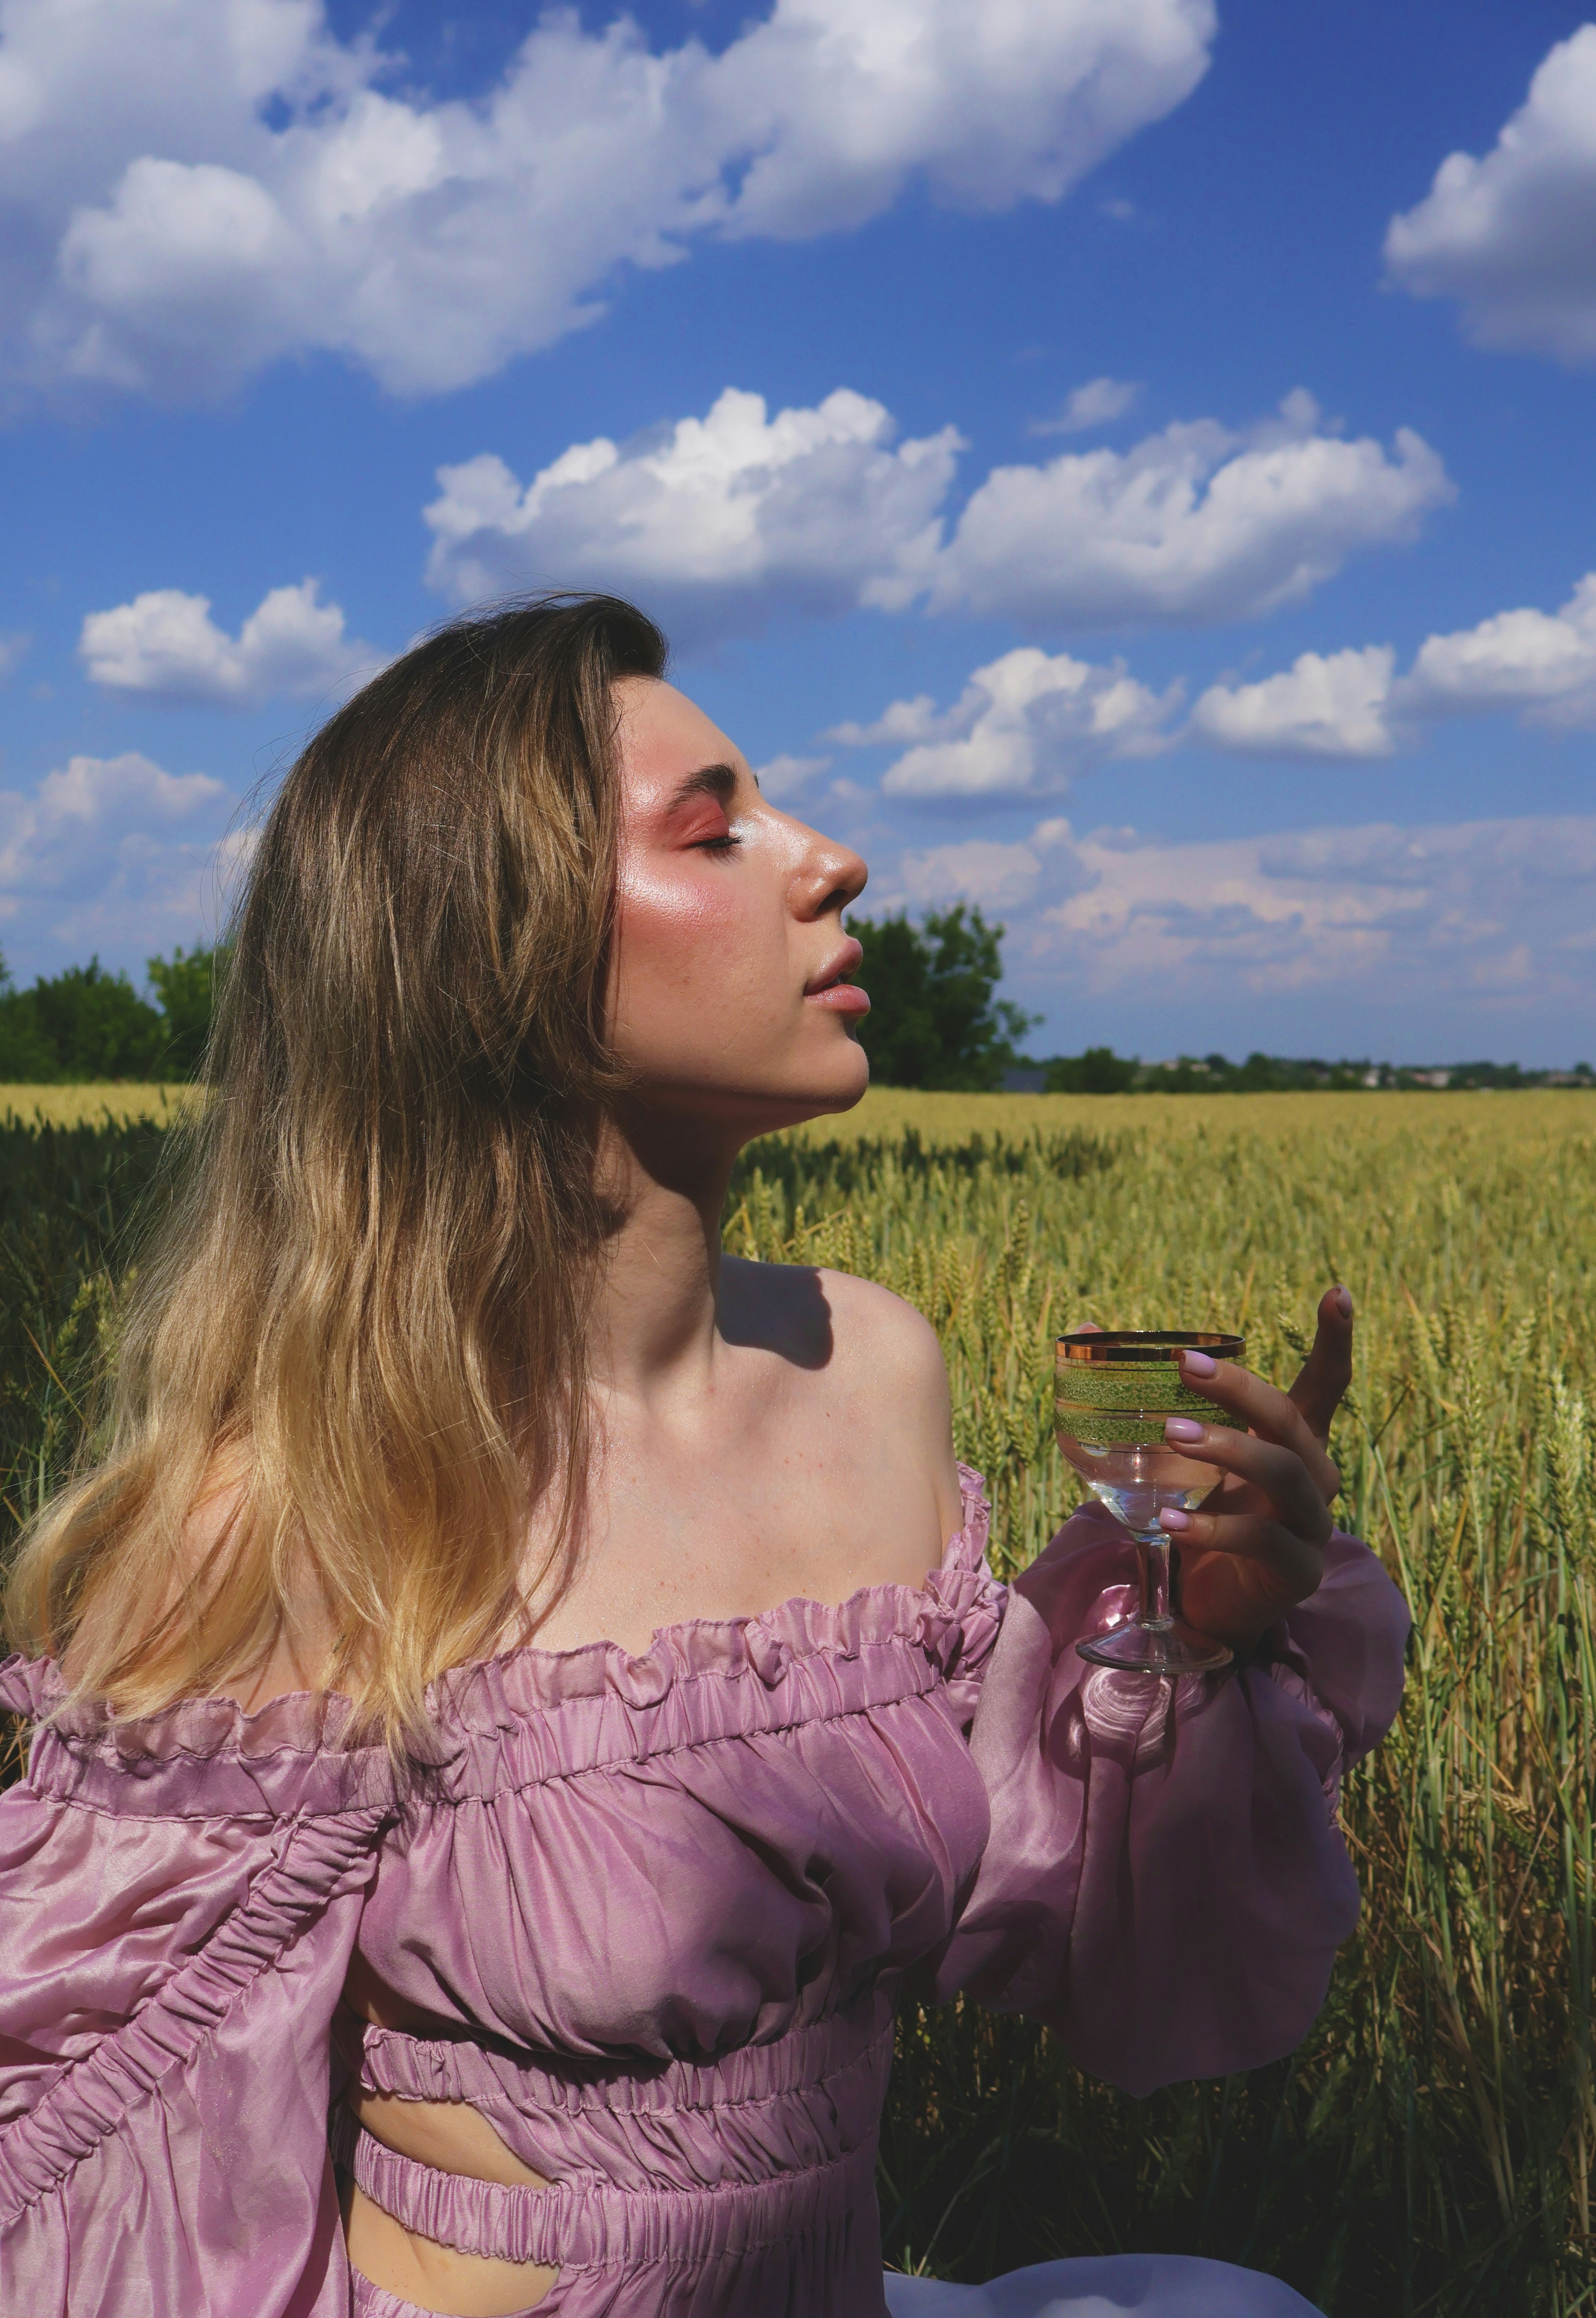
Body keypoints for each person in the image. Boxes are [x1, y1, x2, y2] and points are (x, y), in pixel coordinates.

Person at [0, 596, 1407, 2318]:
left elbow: (1067, 1923)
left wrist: (1198, 1630)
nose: (836, 862)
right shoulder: (304, 1507)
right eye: (713, 829)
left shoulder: (872, 1366)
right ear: (486, 954)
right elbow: (89, 2141)